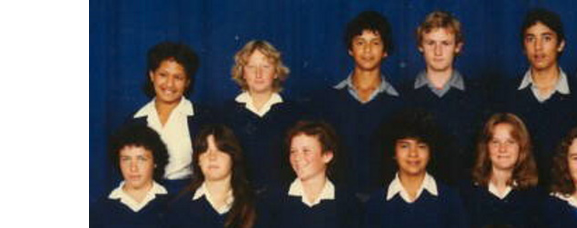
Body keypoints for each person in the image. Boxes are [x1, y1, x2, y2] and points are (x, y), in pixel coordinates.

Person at [311, 10, 405, 196]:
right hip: (338, 202)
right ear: (350, 49)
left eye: (375, 43)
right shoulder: (327, 101)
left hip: (385, 202)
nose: (367, 50)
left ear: (385, 51)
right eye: (360, 42)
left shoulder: (401, 104)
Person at [500, 7, 577, 186]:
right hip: (520, 193)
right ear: (523, 47)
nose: (538, 47)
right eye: (530, 39)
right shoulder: (505, 95)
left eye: (546, 38)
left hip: (568, 194)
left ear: (561, 44)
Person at [405, 10, 487, 185]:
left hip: (465, 195)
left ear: (458, 47)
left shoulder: (478, 96)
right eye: (430, 43)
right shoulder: (403, 95)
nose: (438, 51)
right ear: (420, 46)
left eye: (446, 43)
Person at [219, 40, 302, 195]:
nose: (258, 74)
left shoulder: (295, 113)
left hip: (283, 197)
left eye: (265, 66)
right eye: (251, 67)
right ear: (243, 72)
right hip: (237, 198)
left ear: (276, 72)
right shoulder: (225, 113)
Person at [129, 41, 205, 187]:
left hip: (188, 198)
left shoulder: (203, 118)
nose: (169, 84)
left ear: (187, 82)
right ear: (152, 75)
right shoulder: (134, 121)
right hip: (146, 199)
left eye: (178, 77)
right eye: (163, 75)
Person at [463, 113, 544, 228]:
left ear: (522, 147)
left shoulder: (537, 199)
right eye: (495, 142)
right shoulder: (466, 195)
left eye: (510, 142)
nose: (502, 149)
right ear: (486, 147)